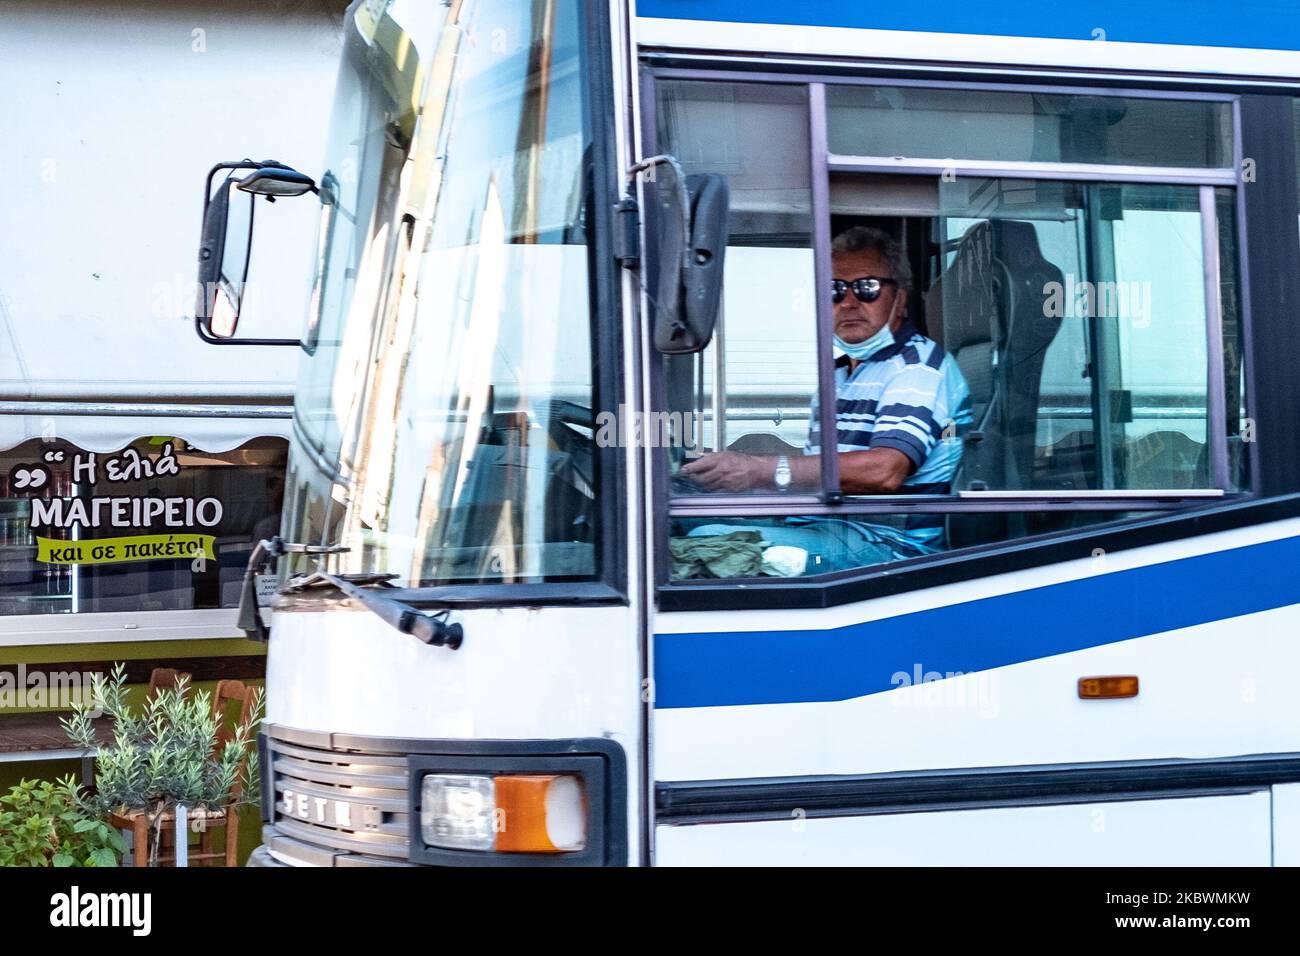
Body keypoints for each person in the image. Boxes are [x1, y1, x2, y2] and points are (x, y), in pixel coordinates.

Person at [678, 225, 973, 572]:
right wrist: (727, 478)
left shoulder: (918, 368)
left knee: (705, 540)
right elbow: (818, 474)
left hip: (889, 546)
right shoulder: (837, 374)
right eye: (834, 290)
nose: (848, 302)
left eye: (867, 288)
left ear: (900, 300)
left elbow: (885, 471)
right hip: (831, 525)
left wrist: (759, 471)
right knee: (684, 516)